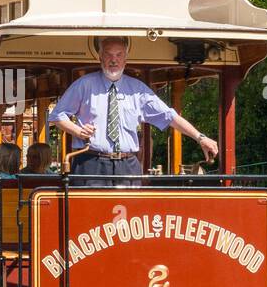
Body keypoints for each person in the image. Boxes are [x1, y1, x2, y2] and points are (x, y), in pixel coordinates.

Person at [48, 36, 218, 181]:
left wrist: (200, 137)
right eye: (108, 55)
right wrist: (78, 131)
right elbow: (57, 116)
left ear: (125, 59)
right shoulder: (84, 85)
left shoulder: (138, 90)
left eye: (119, 55)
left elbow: (169, 116)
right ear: (100, 57)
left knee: (131, 217)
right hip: (91, 163)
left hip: (127, 166)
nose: (113, 60)